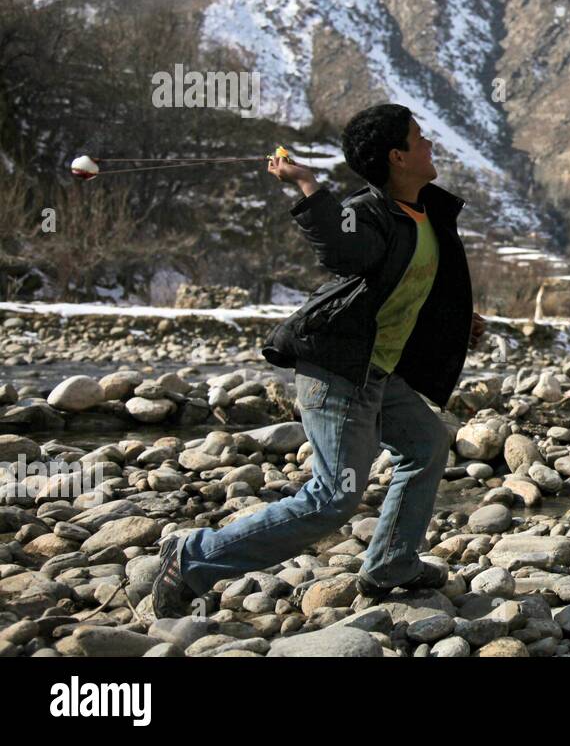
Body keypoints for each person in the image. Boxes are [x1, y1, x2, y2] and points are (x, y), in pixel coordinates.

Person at [150, 103, 485, 619]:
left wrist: (460, 321)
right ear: (397, 156)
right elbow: (342, 249)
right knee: (333, 498)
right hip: (338, 371)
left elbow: (412, 284)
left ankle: (391, 565)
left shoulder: (425, 211)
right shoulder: (368, 210)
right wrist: (307, 185)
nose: (430, 145)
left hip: (376, 371)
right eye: (420, 138)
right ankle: (193, 558)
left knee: (425, 444)